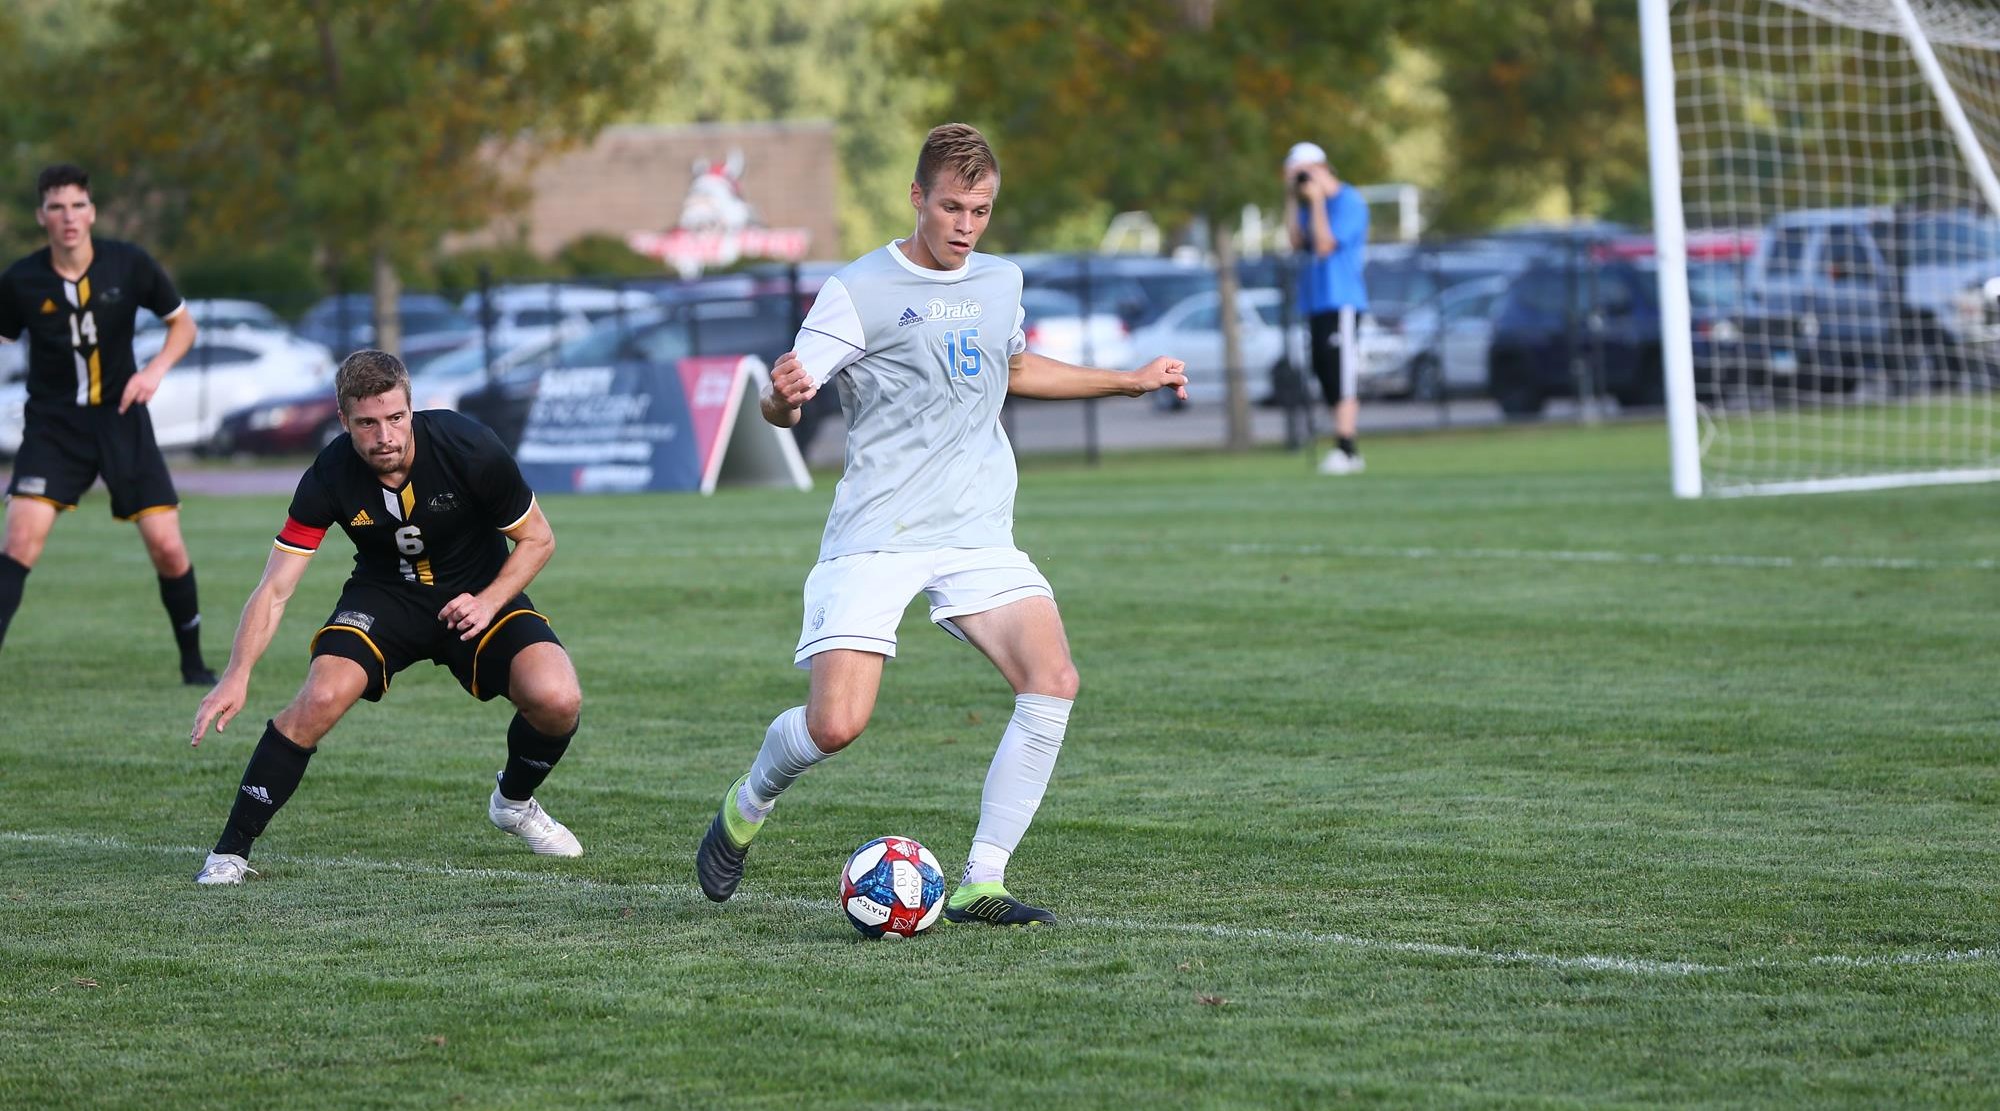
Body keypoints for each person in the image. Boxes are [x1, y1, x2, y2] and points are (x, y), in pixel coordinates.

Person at [694, 123, 1188, 926]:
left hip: (976, 531)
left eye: (982, 209)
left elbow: (1015, 366)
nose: (966, 225)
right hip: (879, 531)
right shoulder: (858, 290)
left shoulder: (1000, 280)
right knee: (836, 723)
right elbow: (783, 403)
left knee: (1053, 679)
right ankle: (749, 800)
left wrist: (1126, 381)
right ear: (917, 197)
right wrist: (782, 397)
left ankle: (979, 881)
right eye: (952, 206)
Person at [187, 350, 585, 885]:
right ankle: (230, 852)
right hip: (385, 598)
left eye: (396, 418)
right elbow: (275, 587)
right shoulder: (328, 474)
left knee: (558, 698)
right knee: (320, 697)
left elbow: (538, 539)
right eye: (367, 423)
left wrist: (488, 602)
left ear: (412, 410)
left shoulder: (467, 446)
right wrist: (237, 672)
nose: (385, 436)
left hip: (477, 593)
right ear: (343, 419)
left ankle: (513, 802)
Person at [0, 163, 215, 681]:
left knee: (167, 545)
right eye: (56, 206)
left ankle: (193, 665)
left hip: (123, 422)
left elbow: (182, 326)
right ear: (42, 216)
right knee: (20, 540)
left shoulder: (128, 264)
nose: (68, 216)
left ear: (91, 212)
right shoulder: (21, 280)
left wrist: (155, 370)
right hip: (53, 427)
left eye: (77, 205)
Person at [1283, 141, 1370, 476]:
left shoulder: (1348, 201)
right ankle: (1344, 447)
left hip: (1342, 300)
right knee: (1324, 372)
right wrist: (1292, 197)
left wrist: (1318, 201)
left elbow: (1323, 245)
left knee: (1341, 373)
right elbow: (1295, 241)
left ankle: (1347, 449)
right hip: (1315, 301)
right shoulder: (1304, 204)